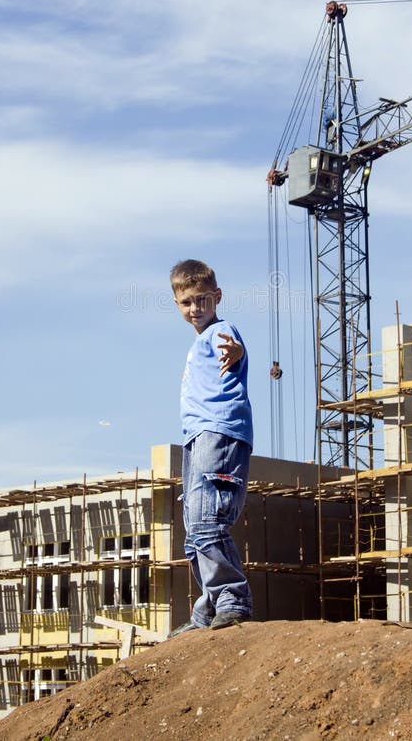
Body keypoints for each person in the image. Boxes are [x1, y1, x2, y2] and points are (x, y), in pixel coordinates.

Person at [169, 258, 253, 634]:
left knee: (207, 522)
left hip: (218, 431)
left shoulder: (221, 331)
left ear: (217, 298)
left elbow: (233, 346)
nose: (195, 308)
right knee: (193, 528)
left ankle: (233, 597)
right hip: (197, 436)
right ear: (177, 304)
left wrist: (236, 351)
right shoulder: (197, 341)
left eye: (202, 300)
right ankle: (208, 608)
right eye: (187, 302)